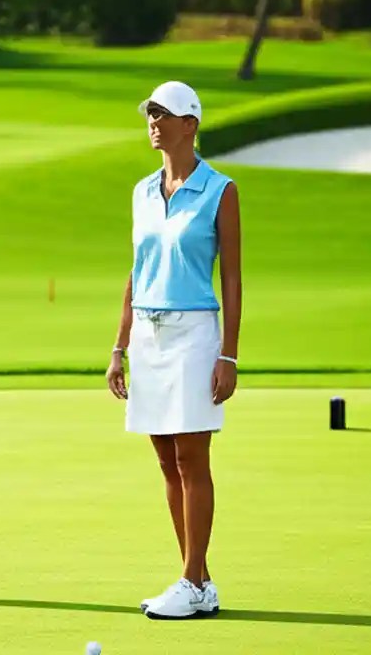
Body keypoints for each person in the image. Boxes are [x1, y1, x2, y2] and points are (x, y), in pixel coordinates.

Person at [105, 81, 242, 620]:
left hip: (194, 333)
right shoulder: (141, 192)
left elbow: (231, 278)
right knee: (166, 459)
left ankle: (189, 578)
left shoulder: (220, 190)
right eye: (150, 115)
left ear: (191, 125)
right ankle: (199, 580)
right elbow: (135, 273)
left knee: (191, 457)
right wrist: (119, 347)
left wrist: (228, 354)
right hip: (148, 333)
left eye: (165, 115)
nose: (154, 123)